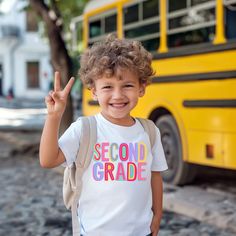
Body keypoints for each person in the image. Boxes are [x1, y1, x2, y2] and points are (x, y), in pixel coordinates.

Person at [39, 35, 168, 236]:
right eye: (107, 87)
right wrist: (54, 116)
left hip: (140, 232)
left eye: (127, 85)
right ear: (94, 91)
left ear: (141, 88)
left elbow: (155, 175)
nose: (118, 95)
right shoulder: (85, 129)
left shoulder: (150, 131)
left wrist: (157, 216)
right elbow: (47, 160)